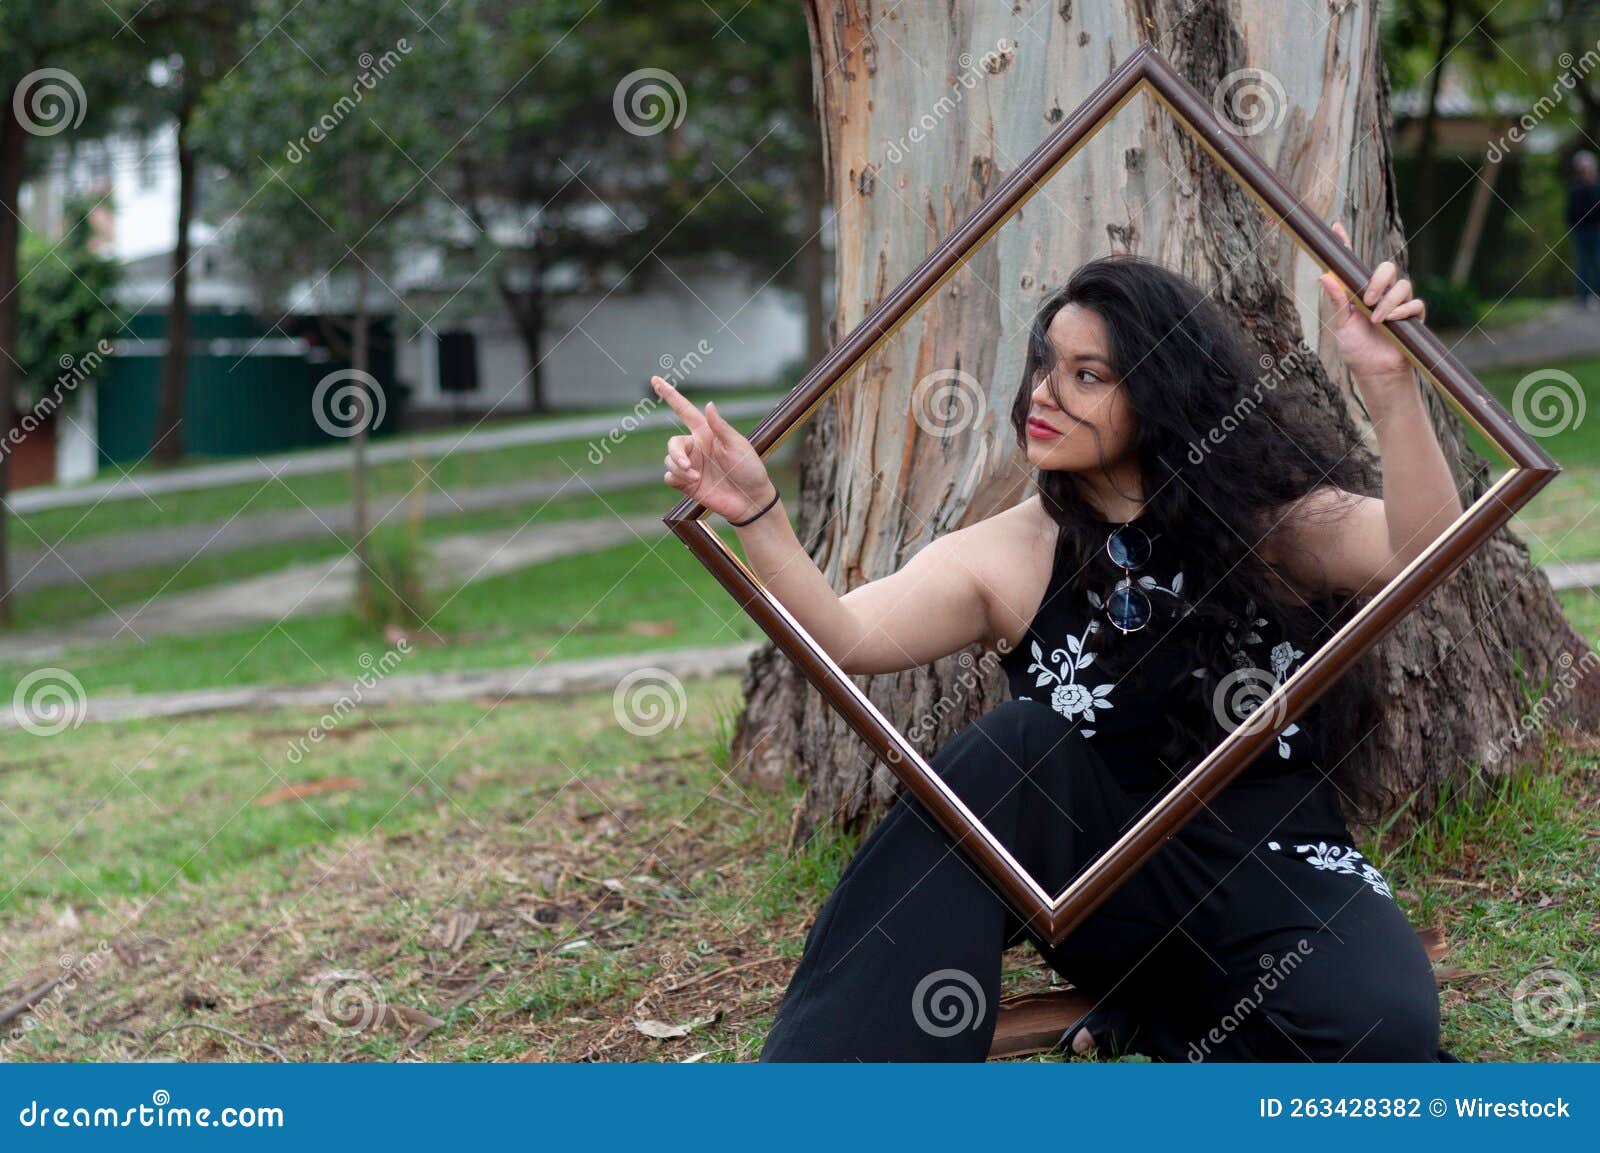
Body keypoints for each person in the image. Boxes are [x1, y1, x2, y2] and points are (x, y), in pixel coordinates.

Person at [653, 221, 1464, 1062]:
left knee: (1390, 1032)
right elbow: (848, 635)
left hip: (1281, 869)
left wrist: (1389, 383)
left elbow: (1426, 550)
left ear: (1163, 394)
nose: (1044, 392)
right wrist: (758, 513)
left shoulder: (1273, 526)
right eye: (1047, 363)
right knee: (1013, 748)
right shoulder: (1015, 550)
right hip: (1109, 888)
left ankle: (1167, 1020)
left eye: (1087, 375)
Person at [1568, 151, 1600, 310]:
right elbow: (1571, 210)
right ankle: (1583, 298)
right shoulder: (1575, 186)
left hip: (1596, 230)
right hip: (1580, 231)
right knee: (1582, 265)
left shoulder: (1597, 185)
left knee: (1597, 262)